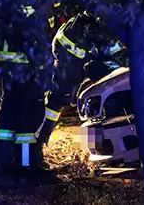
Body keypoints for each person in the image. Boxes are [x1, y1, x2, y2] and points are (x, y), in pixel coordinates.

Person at [37, 11, 126, 145]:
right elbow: (111, 50)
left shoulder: (102, 15)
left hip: (76, 53)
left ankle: (98, 143)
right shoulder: (102, 24)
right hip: (70, 56)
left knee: (100, 95)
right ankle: (38, 141)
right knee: (59, 99)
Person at [0, 11, 52, 181]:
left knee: (9, 112)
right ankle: (25, 166)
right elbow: (34, 33)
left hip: (10, 65)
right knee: (26, 114)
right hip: (24, 66)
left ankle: (2, 163)